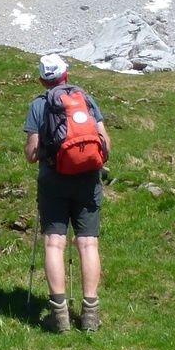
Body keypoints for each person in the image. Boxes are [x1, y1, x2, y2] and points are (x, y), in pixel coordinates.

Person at [24, 54, 111, 332]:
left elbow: (31, 153)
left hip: (53, 181)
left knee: (54, 244)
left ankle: (59, 316)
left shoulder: (39, 105)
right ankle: (90, 315)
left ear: (42, 80)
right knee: (87, 244)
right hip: (87, 181)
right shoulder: (86, 99)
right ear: (66, 74)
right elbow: (105, 144)